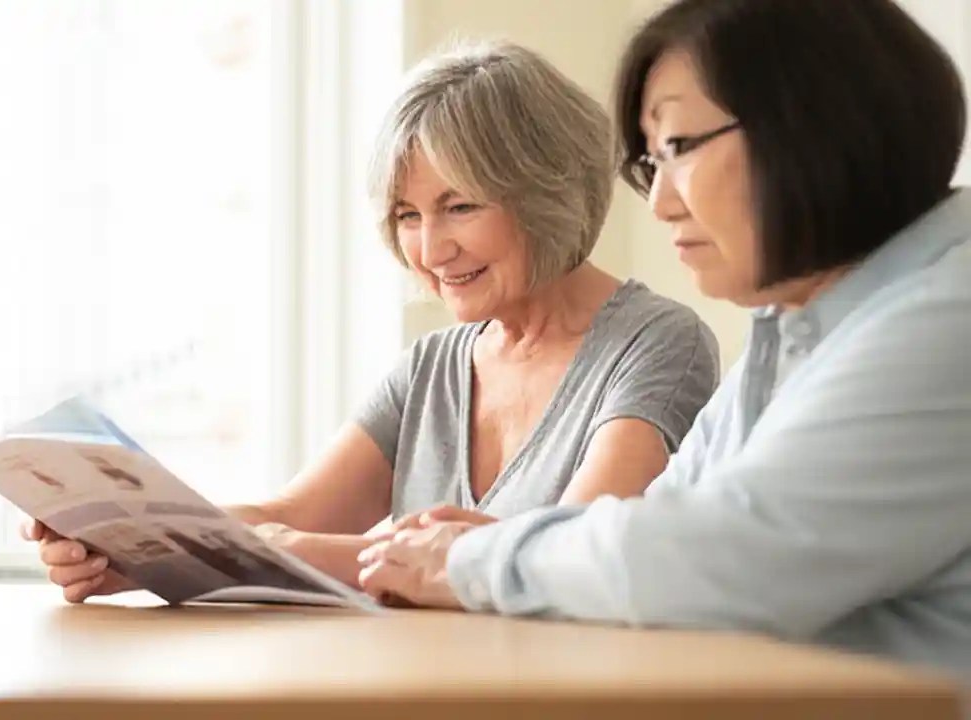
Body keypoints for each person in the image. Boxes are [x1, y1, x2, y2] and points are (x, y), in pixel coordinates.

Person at [358, 0, 971, 684]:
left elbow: (721, 556)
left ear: (815, 124)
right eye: (652, 162)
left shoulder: (952, 315)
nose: (660, 202)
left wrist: (466, 560)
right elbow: (655, 524)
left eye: (678, 148)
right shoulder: (796, 328)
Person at [28, 41, 718, 602]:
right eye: (406, 216)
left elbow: (569, 553)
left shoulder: (657, 343)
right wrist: (132, 551)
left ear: (545, 193)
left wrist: (295, 552)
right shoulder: (431, 367)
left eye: (460, 207)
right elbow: (289, 518)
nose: (430, 248)